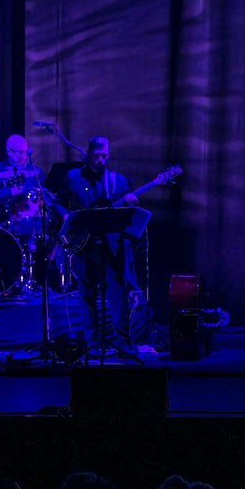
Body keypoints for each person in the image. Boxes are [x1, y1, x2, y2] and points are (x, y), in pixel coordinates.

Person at [60, 136, 149, 355]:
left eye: (104, 156)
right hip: (83, 244)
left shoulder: (118, 181)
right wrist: (65, 216)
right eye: (97, 155)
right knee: (87, 293)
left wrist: (130, 202)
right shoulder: (73, 177)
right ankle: (92, 343)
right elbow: (58, 202)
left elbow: (124, 215)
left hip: (111, 244)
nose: (101, 160)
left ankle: (123, 342)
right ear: (89, 154)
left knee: (118, 294)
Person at [0, 134, 46, 238]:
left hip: (32, 217)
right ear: (8, 151)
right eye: (18, 152)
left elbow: (42, 197)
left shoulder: (36, 171)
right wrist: (12, 192)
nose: (22, 156)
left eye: (24, 152)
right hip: (5, 218)